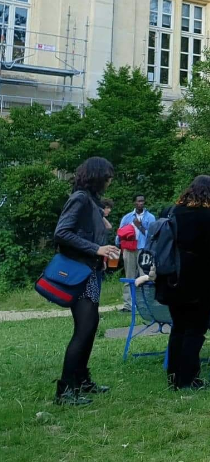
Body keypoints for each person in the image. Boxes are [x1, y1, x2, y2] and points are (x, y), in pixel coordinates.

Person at [52, 157, 121, 406]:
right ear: (97, 176)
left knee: (89, 327)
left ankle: (82, 380)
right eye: (108, 176)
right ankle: (65, 390)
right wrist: (96, 248)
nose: (110, 180)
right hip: (79, 272)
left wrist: (101, 248)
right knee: (84, 329)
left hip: (90, 271)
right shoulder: (79, 198)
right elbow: (62, 233)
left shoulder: (91, 200)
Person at [156, 175, 210, 390]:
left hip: (172, 274)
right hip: (197, 277)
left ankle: (174, 376)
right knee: (195, 330)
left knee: (178, 328)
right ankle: (188, 378)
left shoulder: (173, 211)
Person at [116, 195, 155, 310]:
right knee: (129, 277)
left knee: (144, 276)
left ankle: (145, 304)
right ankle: (128, 305)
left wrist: (140, 226)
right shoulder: (127, 217)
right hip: (129, 249)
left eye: (143, 201)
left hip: (144, 249)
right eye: (138, 201)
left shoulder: (150, 217)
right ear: (134, 203)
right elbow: (120, 233)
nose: (141, 203)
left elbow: (153, 235)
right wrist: (118, 245)